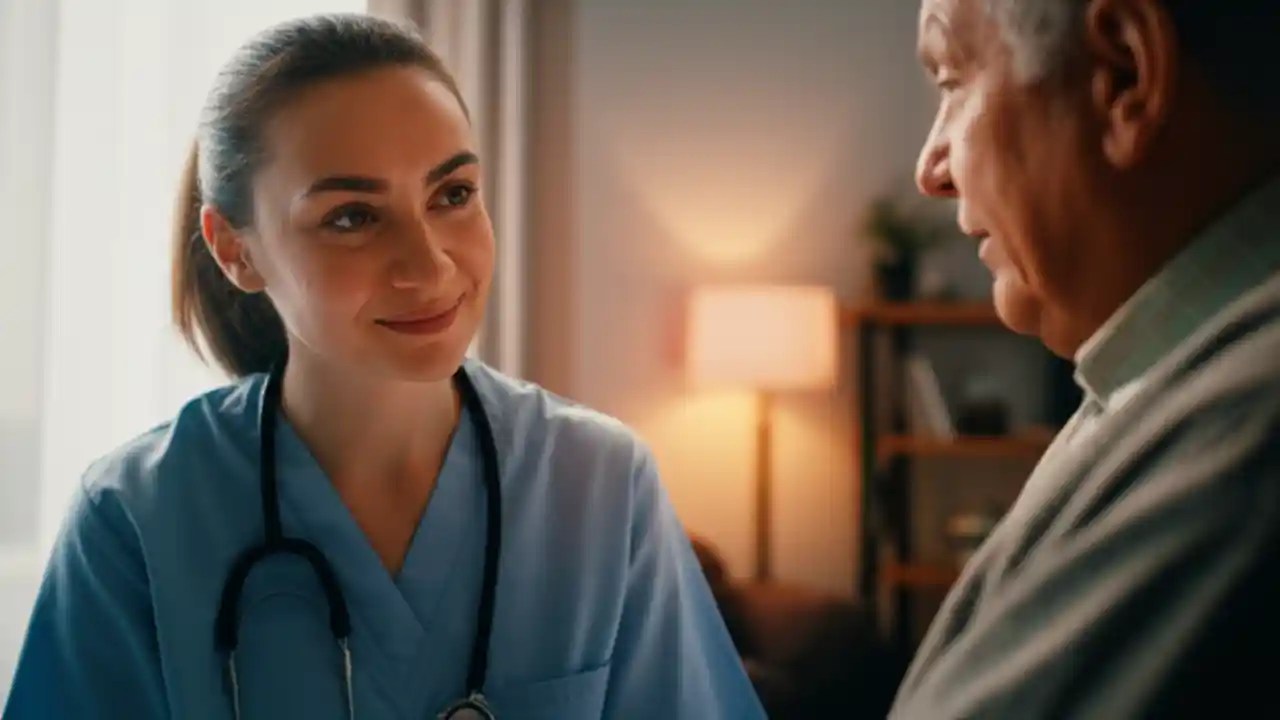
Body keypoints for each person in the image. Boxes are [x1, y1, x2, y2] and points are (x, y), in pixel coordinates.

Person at [3, 14, 764, 720]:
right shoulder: (135, 516)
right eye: (352, 217)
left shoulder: (598, 484)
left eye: (453, 194)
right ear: (236, 249)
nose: (428, 265)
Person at [893, 0, 1280, 717]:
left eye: (952, 82)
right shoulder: (1156, 384)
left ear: (1125, 76)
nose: (931, 169)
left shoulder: (1241, 452)